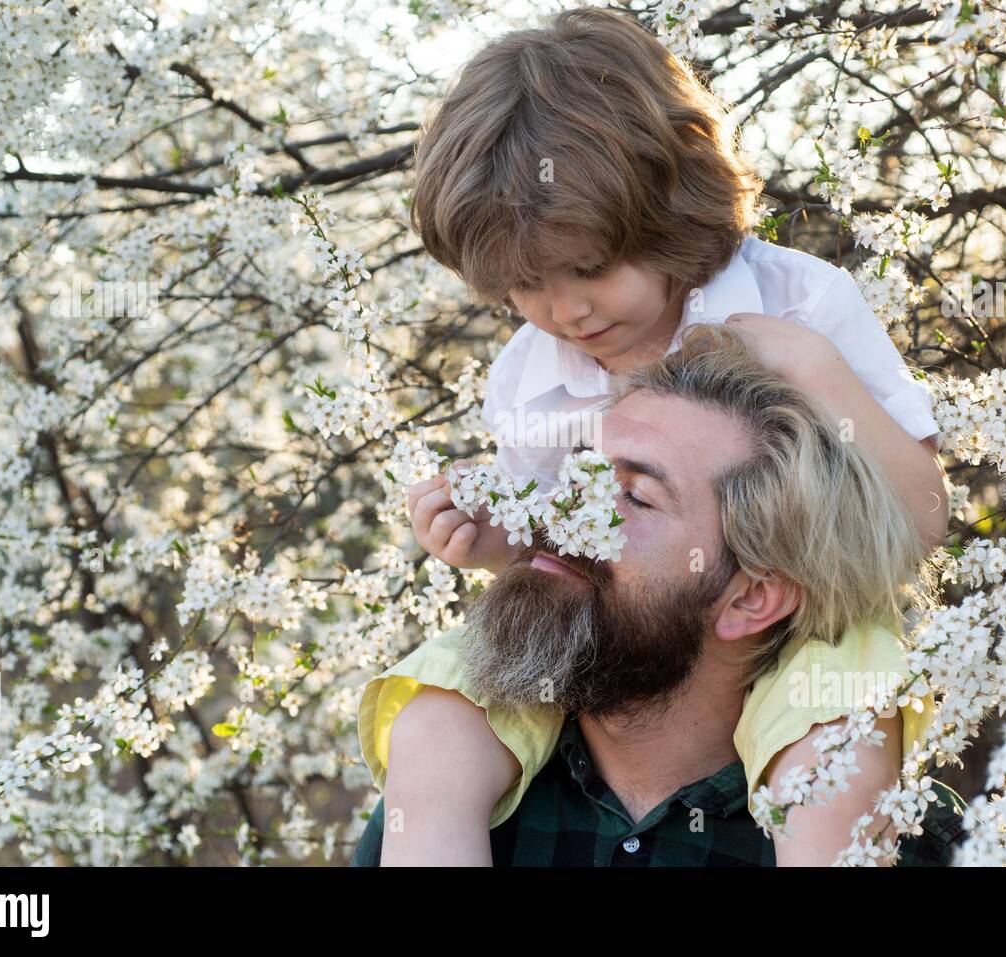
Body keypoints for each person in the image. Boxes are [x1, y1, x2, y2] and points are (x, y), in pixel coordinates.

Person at [375, 7, 950, 865]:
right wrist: (499, 539)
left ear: (668, 204)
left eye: (589, 269)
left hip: (812, 625)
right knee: (436, 720)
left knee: (836, 747)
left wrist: (818, 372)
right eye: (525, 286)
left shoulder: (801, 305)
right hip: (603, 641)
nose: (565, 311)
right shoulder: (531, 373)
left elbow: (921, 519)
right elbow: (558, 555)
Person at [352, 325, 964, 867]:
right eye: (584, 468)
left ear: (751, 599)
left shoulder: (883, 831)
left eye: (637, 497)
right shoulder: (453, 789)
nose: (564, 508)